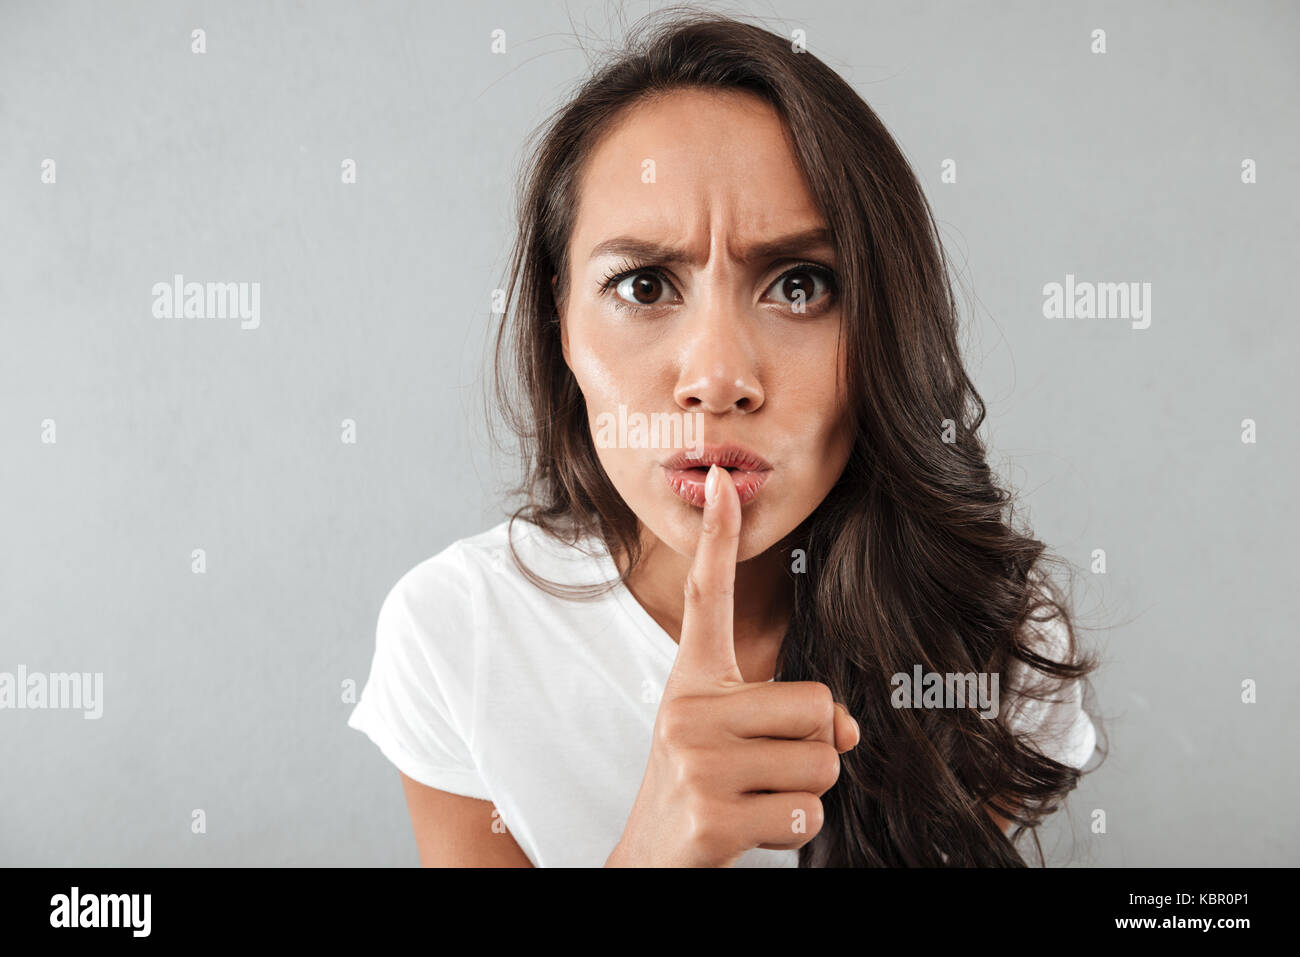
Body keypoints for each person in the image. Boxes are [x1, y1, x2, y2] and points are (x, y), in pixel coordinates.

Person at [348, 9, 1101, 867]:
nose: (716, 377)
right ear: (560, 319)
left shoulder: (993, 635)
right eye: (642, 283)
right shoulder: (458, 631)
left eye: (799, 284)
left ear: (884, 325)